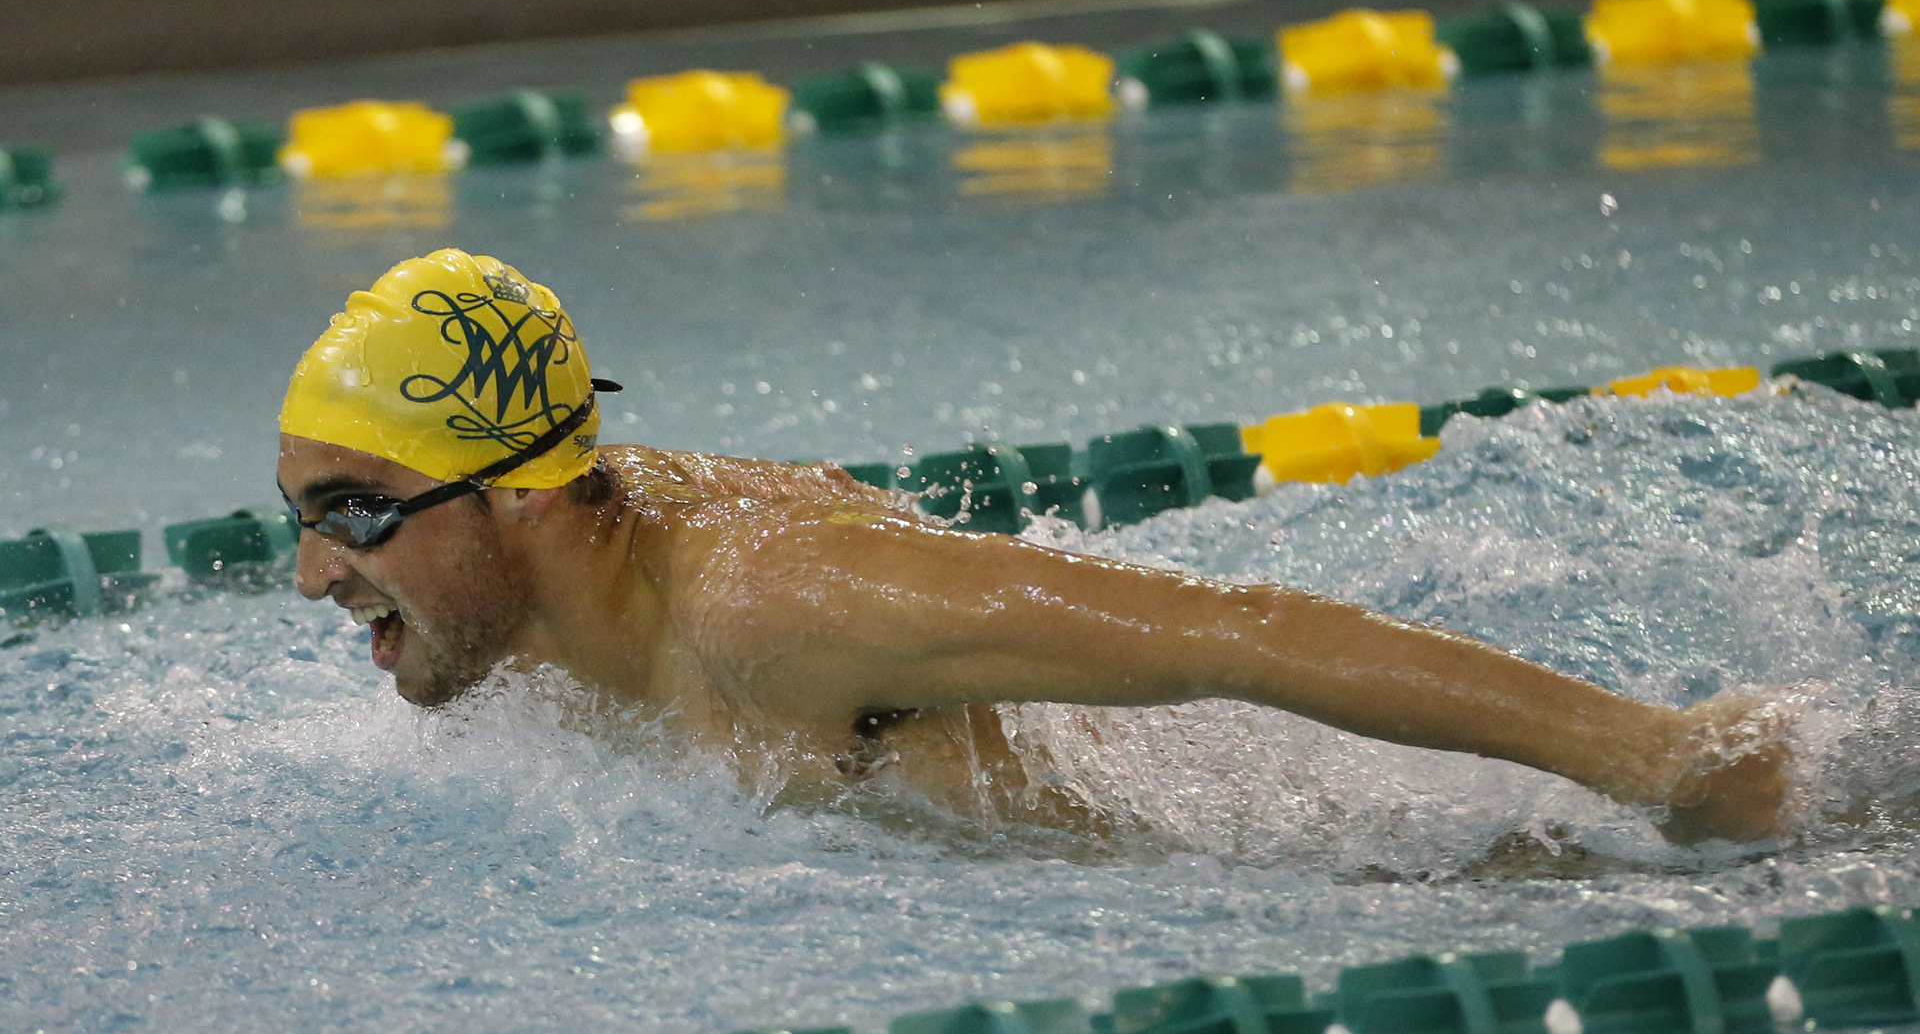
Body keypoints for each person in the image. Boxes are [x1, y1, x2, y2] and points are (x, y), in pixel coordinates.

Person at [276, 248, 1791, 845]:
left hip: (1290, 873)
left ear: (527, 493)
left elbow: (1234, 630)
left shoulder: (773, 609)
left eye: (349, 517)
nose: (311, 575)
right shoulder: (546, 586)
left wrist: (1656, 758)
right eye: (297, 517)